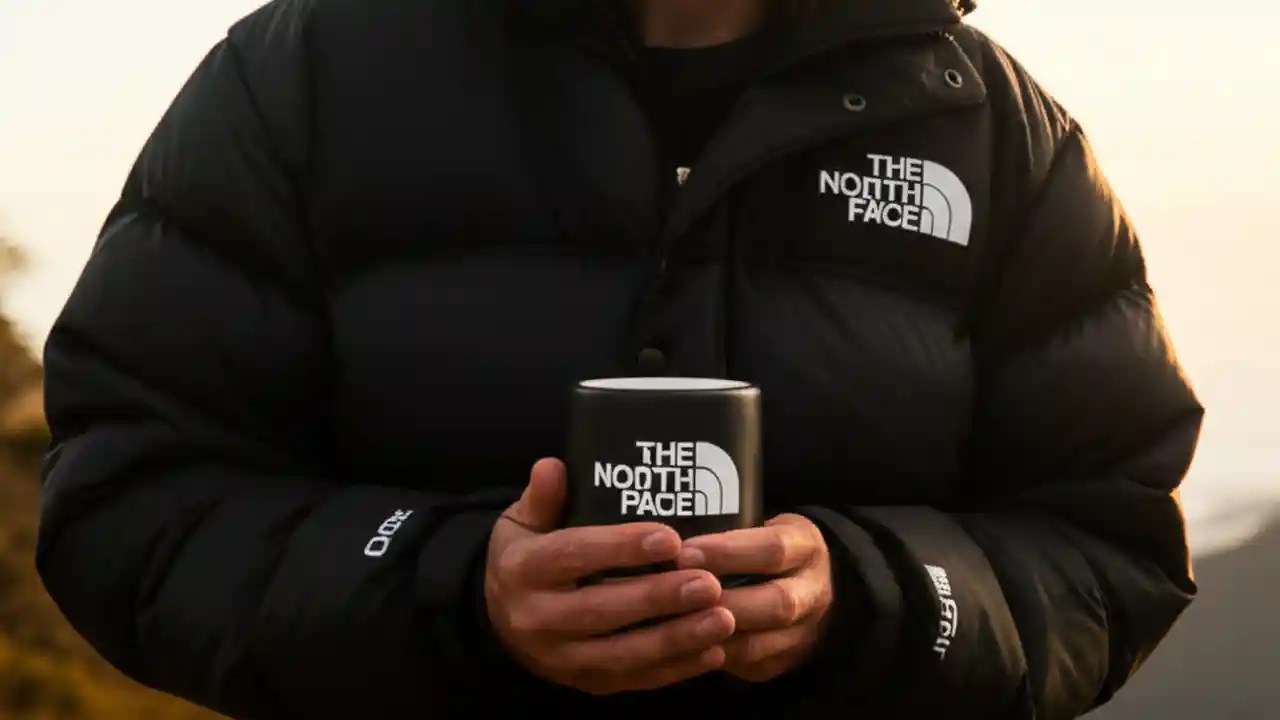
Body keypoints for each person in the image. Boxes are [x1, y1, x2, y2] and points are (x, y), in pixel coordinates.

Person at [36, 0, 1203, 717]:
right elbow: (130, 501)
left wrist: (872, 595)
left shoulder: (996, 134)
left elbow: (1107, 542)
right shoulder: (299, 80)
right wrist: (449, 590)